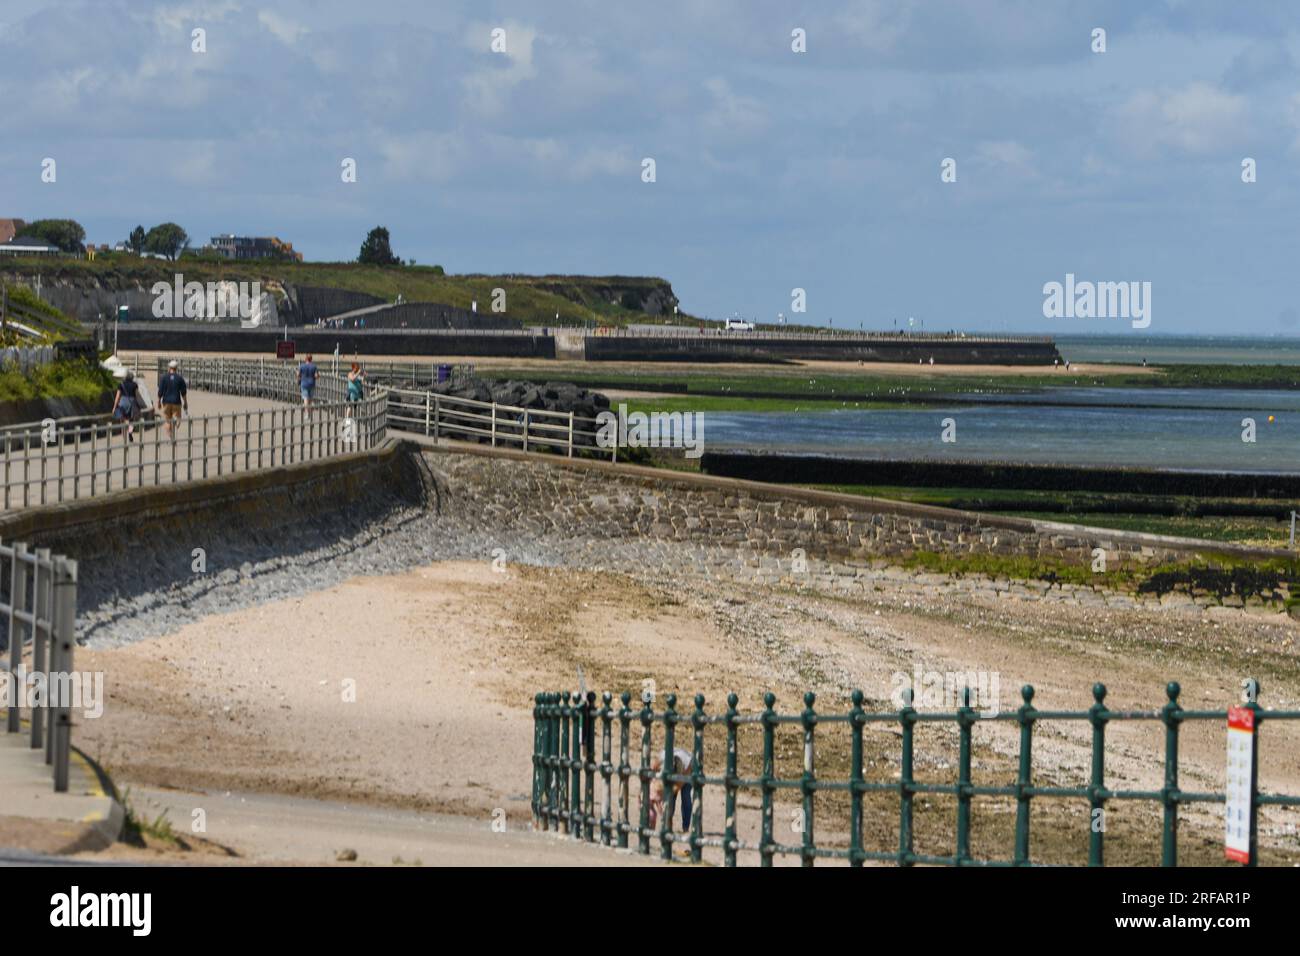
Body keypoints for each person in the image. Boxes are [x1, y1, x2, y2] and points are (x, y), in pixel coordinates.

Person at [647, 747, 695, 833]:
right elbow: (652, 769)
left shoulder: (688, 765)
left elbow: (677, 787)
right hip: (671, 767)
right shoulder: (662, 757)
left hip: (688, 771)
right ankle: (668, 824)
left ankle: (685, 828)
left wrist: (665, 792)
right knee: (670, 798)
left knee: (686, 797)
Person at [156, 360, 188, 441]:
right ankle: (173, 432)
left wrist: (159, 401)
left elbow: (160, 391)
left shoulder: (164, 378)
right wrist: (185, 402)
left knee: (167, 421)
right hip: (176, 401)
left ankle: (171, 436)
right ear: (176, 368)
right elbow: (183, 392)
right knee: (177, 420)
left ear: (169, 367)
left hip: (166, 401)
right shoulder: (180, 378)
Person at [111, 370, 146, 442]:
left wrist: (114, 407)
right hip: (132, 402)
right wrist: (138, 405)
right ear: (132, 377)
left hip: (123, 402)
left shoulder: (121, 384)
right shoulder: (134, 385)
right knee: (131, 418)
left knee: (122, 419)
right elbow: (137, 395)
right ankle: (130, 430)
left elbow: (118, 396)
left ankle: (124, 438)